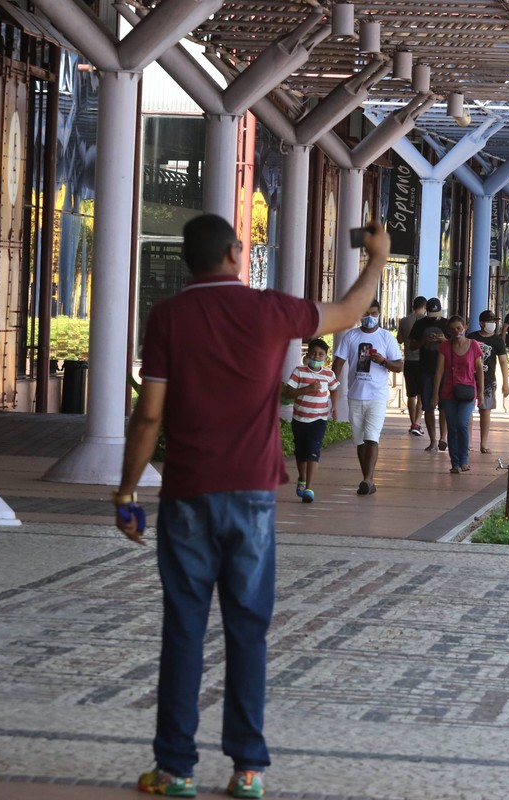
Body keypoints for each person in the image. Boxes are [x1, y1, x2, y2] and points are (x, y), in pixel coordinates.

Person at [114, 214, 390, 799]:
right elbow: (348, 311)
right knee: (247, 631)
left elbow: (149, 414)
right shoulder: (268, 310)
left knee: (184, 631)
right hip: (253, 496)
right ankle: (247, 770)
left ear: (189, 259)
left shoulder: (168, 317)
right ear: (235, 253)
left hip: (188, 493)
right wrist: (377, 257)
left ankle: (175, 770)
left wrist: (126, 491)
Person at [332, 299, 404, 495]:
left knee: (372, 437)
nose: (370, 317)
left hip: (377, 396)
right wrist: (329, 385)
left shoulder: (386, 337)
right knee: (359, 440)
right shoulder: (351, 336)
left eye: (374, 313)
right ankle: (367, 481)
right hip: (355, 395)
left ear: (379, 314)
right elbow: (337, 364)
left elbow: (399, 366)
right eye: (366, 313)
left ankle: (368, 479)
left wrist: (383, 361)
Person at [284, 338, 340, 503]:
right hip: (300, 419)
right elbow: (289, 392)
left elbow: (334, 389)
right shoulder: (299, 371)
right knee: (301, 453)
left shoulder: (328, 374)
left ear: (325, 357)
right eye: (314, 353)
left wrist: (334, 406)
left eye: (320, 354)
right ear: (308, 354)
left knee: (313, 452)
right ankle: (302, 478)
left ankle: (309, 488)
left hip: (319, 419)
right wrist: (307, 389)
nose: (316, 356)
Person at [432, 315, 484, 474]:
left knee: (462, 423)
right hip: (449, 392)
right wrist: (435, 394)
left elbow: (479, 369)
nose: (456, 331)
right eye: (453, 329)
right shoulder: (445, 347)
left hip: (467, 392)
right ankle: (455, 463)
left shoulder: (473, 345)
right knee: (452, 426)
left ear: (465, 328)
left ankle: (464, 459)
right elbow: (439, 371)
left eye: (459, 328)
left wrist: (481, 393)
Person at [407, 297, 450, 452]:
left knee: (444, 405)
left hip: (444, 370)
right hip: (425, 369)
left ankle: (443, 437)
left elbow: (456, 345)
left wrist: (444, 340)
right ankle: (433, 441)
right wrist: (423, 341)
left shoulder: (447, 324)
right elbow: (411, 345)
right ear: (426, 311)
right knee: (428, 406)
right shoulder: (420, 324)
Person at [468, 310, 509, 454]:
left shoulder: (497, 340)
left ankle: (484, 443)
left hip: (488, 380)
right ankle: (468, 442)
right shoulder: (471, 337)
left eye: (494, 321)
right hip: (470, 379)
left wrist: (505, 383)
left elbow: (503, 361)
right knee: (468, 411)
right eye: (490, 321)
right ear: (481, 323)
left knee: (485, 411)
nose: (492, 324)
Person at [397, 295, 427, 436]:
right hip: (423, 361)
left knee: (411, 394)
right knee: (421, 395)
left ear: (413, 306)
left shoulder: (404, 321)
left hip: (409, 361)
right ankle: (417, 423)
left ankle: (412, 423)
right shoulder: (426, 321)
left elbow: (399, 339)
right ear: (425, 307)